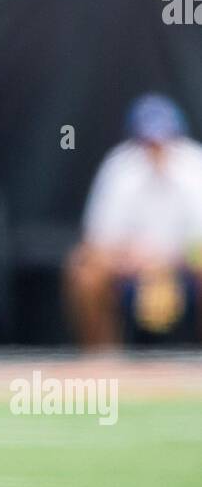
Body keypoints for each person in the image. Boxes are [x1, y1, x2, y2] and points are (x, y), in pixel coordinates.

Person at [65, 94, 202, 348]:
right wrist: (135, 261)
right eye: (149, 141)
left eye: (162, 141)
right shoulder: (119, 167)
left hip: (183, 266)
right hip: (130, 268)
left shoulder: (195, 166)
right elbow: (98, 240)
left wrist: (168, 263)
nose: (156, 149)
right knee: (85, 271)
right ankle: (101, 361)